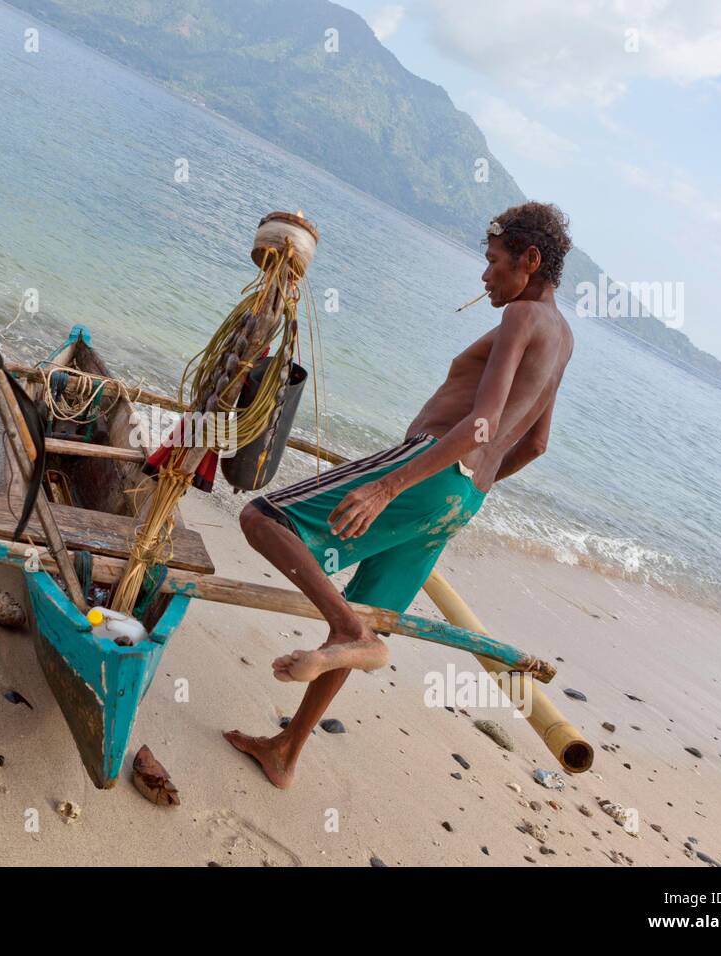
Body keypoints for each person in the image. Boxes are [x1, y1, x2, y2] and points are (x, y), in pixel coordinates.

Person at [225, 201, 576, 789]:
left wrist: (393, 485)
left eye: (493, 263)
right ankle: (286, 750)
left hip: (429, 468)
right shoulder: (562, 339)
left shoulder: (520, 317)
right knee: (366, 610)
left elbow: (483, 422)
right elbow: (535, 443)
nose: (485, 275)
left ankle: (348, 634)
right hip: (460, 500)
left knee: (263, 517)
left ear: (531, 261)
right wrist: (466, 489)